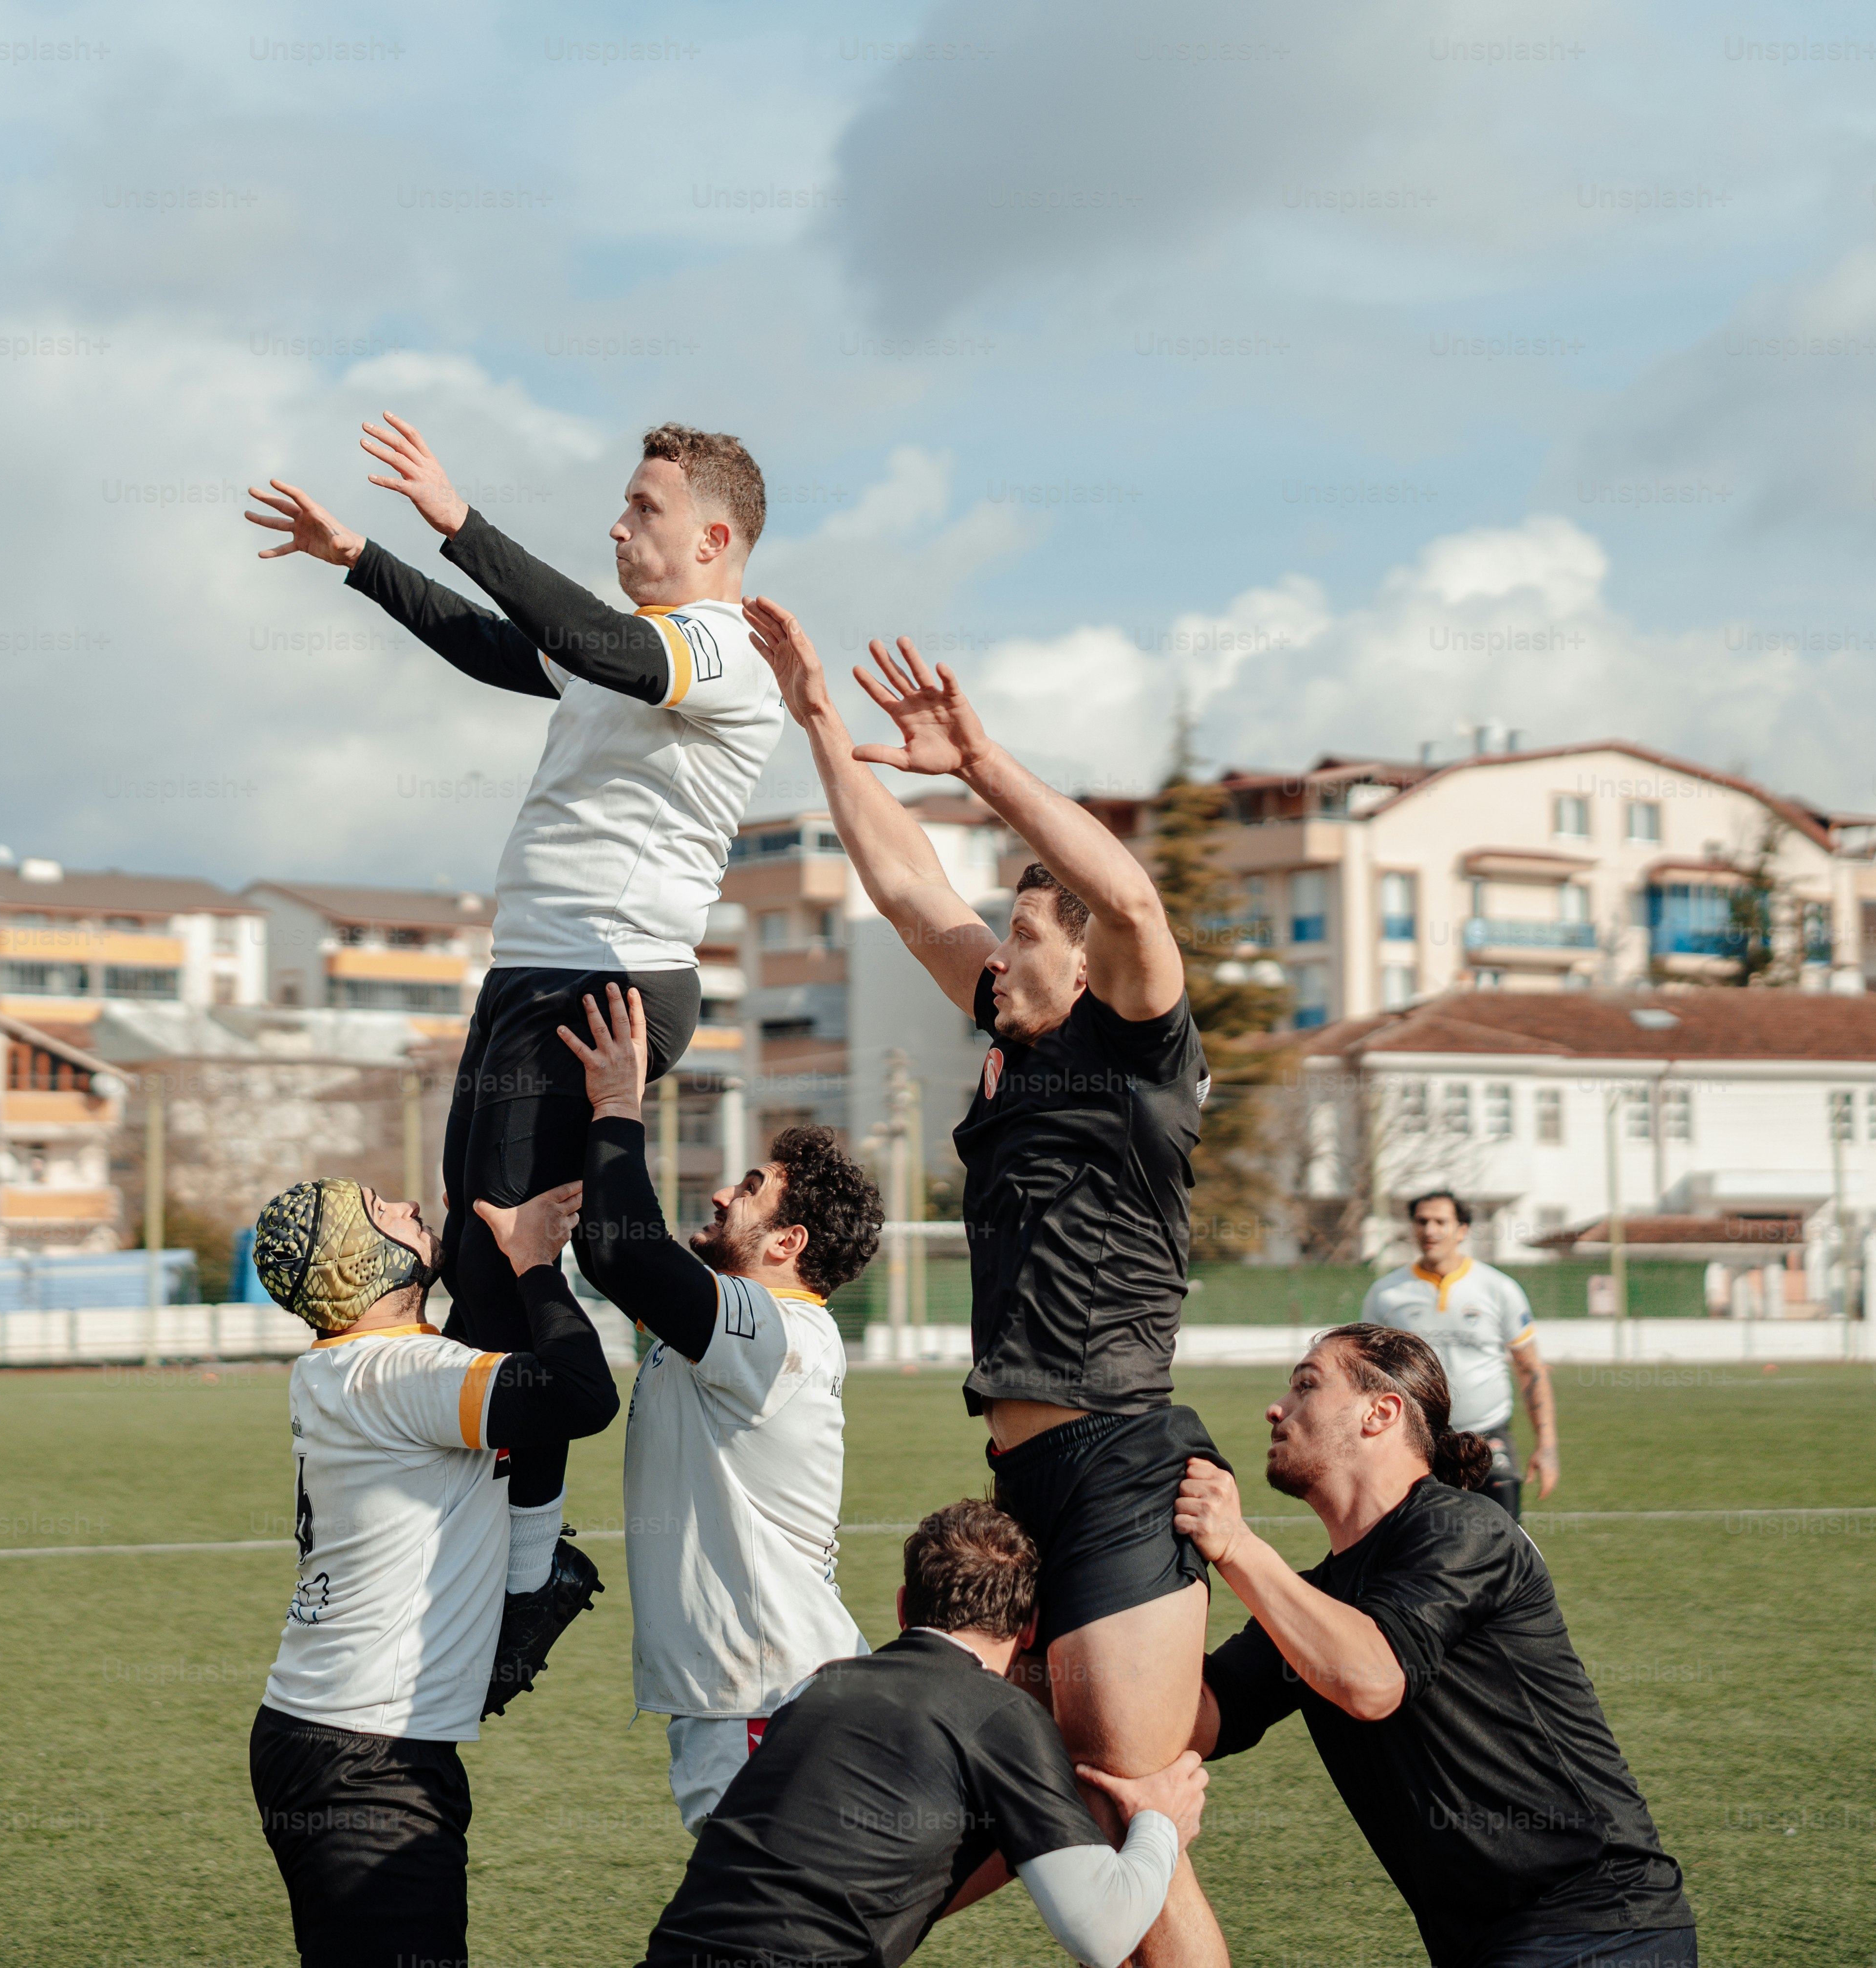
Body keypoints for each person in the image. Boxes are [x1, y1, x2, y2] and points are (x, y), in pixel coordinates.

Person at [245, 419, 786, 1675]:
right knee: (481, 1268)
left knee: (501, 1260)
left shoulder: (714, 647)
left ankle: (525, 1580)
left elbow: (584, 637)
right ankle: (518, 1566)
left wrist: (455, 515)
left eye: (641, 508)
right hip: (536, 972)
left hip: (594, 977)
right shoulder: (636, 656)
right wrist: (356, 556)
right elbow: (506, 648)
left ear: (711, 538)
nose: (616, 525)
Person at [746, 606, 1227, 1967]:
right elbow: (905, 890)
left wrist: (979, 762)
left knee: (1122, 1799)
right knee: (1062, 1792)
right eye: (1003, 938)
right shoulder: (1009, 1032)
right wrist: (822, 729)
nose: (996, 957)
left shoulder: (1132, 1058)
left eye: (1022, 939)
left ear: (1081, 965)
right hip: (1027, 1473)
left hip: (1124, 1458)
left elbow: (1130, 898)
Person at [1174, 1324, 1695, 1968]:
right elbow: (1190, 1717)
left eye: (1306, 1384)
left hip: (1597, 1928)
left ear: (1380, 1411)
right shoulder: (1318, 1601)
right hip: (1487, 1948)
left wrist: (1236, 1546)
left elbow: (1369, 1678)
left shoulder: (1464, 1528)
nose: (1276, 1407)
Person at [244, 1176, 619, 1968]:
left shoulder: (348, 1365)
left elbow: (496, 1356)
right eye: (384, 1210)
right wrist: (535, 1264)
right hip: (364, 1758)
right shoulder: (401, 1375)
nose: (410, 1207)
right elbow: (580, 1394)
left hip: (342, 1740)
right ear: (357, 1259)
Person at [554, 982, 882, 1831]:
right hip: (759, 1694)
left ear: (786, 1243)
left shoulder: (775, 1331)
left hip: (766, 1698)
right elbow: (615, 1253)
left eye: (748, 1188)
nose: (720, 1196)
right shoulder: (734, 1328)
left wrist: (621, 1102)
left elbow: (620, 1251)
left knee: (759, 1929)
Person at [637, 1498, 1208, 1968]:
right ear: (1030, 1626)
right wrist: (1162, 1821)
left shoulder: (817, 1685)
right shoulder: (1001, 1714)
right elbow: (1103, 1936)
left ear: (904, 1607)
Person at [1361, 1189, 1560, 1519]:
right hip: (1415, 1438)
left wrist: (1547, 1446)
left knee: (1502, 1536)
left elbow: (1530, 1369)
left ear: (1462, 1231)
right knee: (1423, 1542)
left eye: (1441, 1221)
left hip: (1487, 1433)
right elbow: (1366, 1373)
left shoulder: (1498, 1289)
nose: (1430, 1230)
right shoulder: (1386, 1293)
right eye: (1422, 1221)